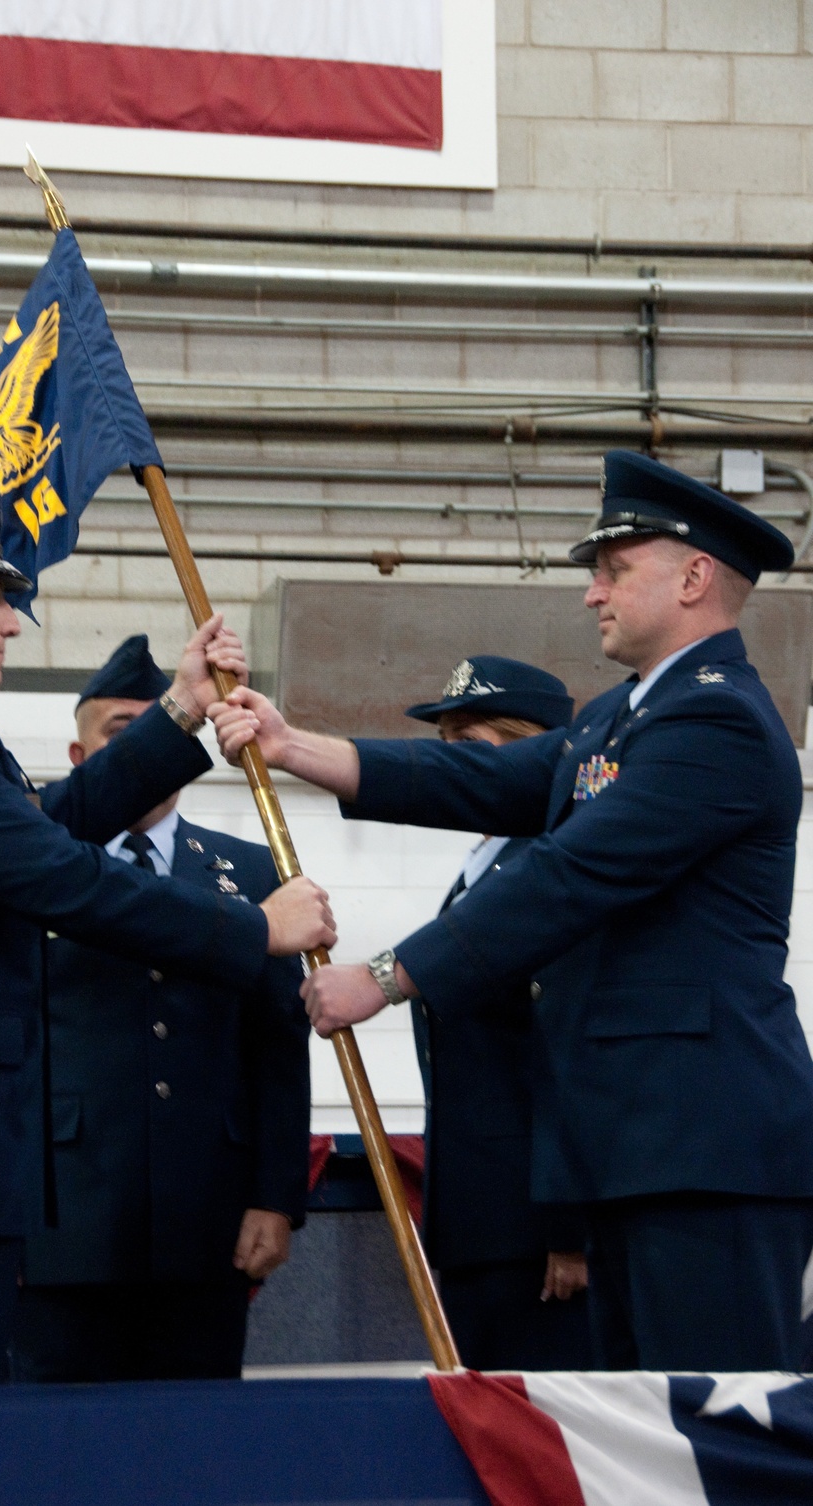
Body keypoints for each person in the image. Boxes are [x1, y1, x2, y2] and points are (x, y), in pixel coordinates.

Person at [212, 450, 813, 1371]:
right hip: (630, 1151)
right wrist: (300, 746)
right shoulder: (620, 718)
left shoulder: (717, 722)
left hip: (704, 1155)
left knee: (713, 1439)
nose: (591, 594)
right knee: (639, 1443)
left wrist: (383, 978)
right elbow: (486, 777)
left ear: (695, 578)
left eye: (614, 570)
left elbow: (566, 876)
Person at [0, 487, 335, 1389]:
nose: (14, 625)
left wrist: (178, 716)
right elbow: (65, 878)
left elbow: (49, 832)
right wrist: (252, 927)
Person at [12, 636, 311, 1382]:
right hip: (68, 1214)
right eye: (124, 733)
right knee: (63, 1449)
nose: (149, 744)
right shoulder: (35, 866)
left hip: (208, 1210)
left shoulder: (248, 871)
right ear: (83, 757)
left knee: (196, 1446)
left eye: (163, 724)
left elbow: (278, 1039)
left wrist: (276, 1198)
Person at [402, 656, 591, 1370]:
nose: (454, 770)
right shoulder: (485, 866)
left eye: (472, 749)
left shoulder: (553, 868)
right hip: (482, 1217)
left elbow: (565, 1053)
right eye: (444, 750)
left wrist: (567, 1229)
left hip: (534, 1229)